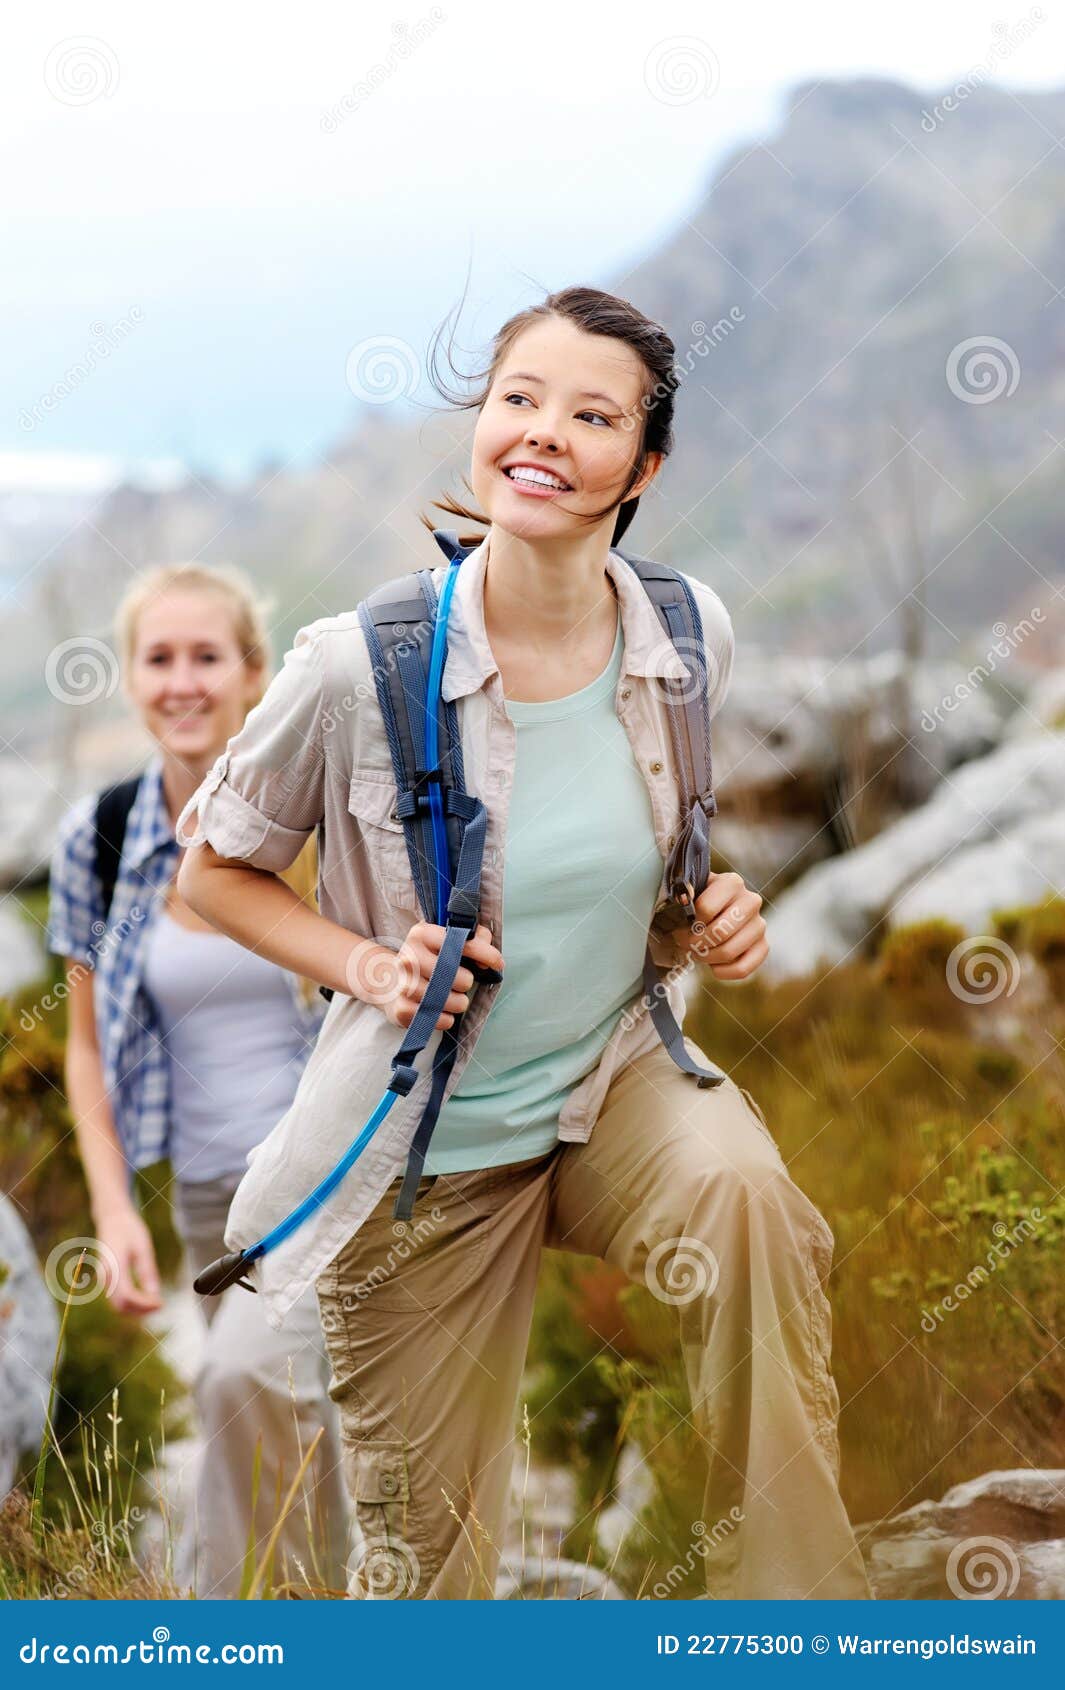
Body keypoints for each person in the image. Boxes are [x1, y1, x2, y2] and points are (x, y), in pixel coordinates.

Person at [175, 287, 872, 1601]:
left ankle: (798, 1613)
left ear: (644, 466)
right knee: (429, 1578)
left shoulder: (685, 633)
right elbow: (215, 871)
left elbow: (649, 861)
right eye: (519, 400)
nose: (544, 434)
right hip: (419, 1154)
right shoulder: (356, 667)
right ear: (481, 428)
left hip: (611, 1080)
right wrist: (365, 963)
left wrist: (707, 913)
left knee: (749, 1207)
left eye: (591, 415)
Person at [46, 562, 350, 1597]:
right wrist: (111, 1208)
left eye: (206, 656)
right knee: (296, 1439)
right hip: (212, 1205)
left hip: (331, 1187)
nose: (183, 682)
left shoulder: (317, 818)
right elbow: (83, 1046)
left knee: (237, 1385)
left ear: (254, 673)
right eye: (159, 658)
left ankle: (214, 1634)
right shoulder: (97, 842)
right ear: (132, 677)